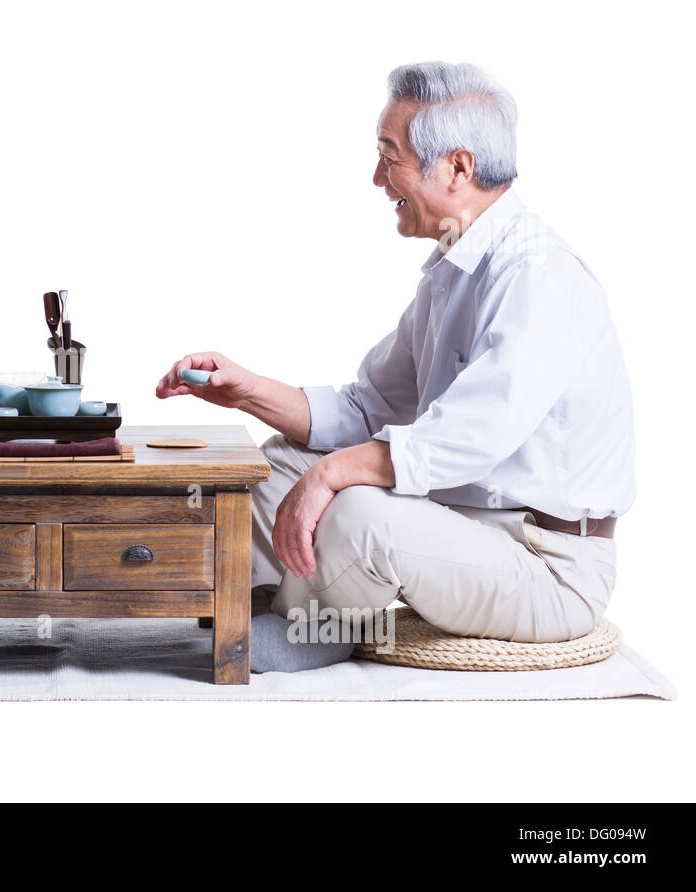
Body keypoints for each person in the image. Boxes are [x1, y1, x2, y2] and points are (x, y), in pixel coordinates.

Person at [156, 61, 635, 673]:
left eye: (390, 155)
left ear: (457, 168)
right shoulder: (453, 270)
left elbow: (470, 439)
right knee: (271, 465)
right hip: (472, 527)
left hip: (548, 566)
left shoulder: (540, 277)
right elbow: (367, 409)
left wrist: (331, 478)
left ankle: (318, 625)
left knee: (355, 507)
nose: (377, 177)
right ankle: (267, 596)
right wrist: (247, 390)